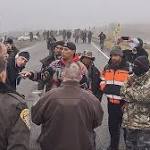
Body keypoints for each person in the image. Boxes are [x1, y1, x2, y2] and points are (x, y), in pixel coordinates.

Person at [31, 62, 104, 150]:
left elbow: (35, 118)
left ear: (62, 76)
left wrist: (35, 103)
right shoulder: (92, 99)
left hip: (52, 145)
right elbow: (97, 122)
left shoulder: (49, 96)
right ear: (81, 77)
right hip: (83, 145)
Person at [100, 46, 129, 150]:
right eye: (112, 55)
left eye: (116, 55)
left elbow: (133, 85)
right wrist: (104, 88)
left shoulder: (128, 68)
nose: (114, 58)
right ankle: (113, 147)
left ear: (121, 56)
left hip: (124, 105)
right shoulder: (107, 67)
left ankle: (128, 147)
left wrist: (127, 101)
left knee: (126, 129)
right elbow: (102, 78)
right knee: (112, 128)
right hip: (111, 104)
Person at [0, 54, 30, 150]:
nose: (23, 62)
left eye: (25, 61)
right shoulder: (8, 65)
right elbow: (19, 144)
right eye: (22, 59)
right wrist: (15, 96)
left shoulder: (18, 67)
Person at [121, 56, 150, 150]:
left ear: (143, 67)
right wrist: (132, 92)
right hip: (130, 122)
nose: (134, 67)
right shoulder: (132, 76)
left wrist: (128, 91)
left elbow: (143, 97)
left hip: (144, 125)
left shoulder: (148, 80)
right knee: (129, 147)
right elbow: (122, 91)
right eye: (134, 64)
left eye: (137, 65)